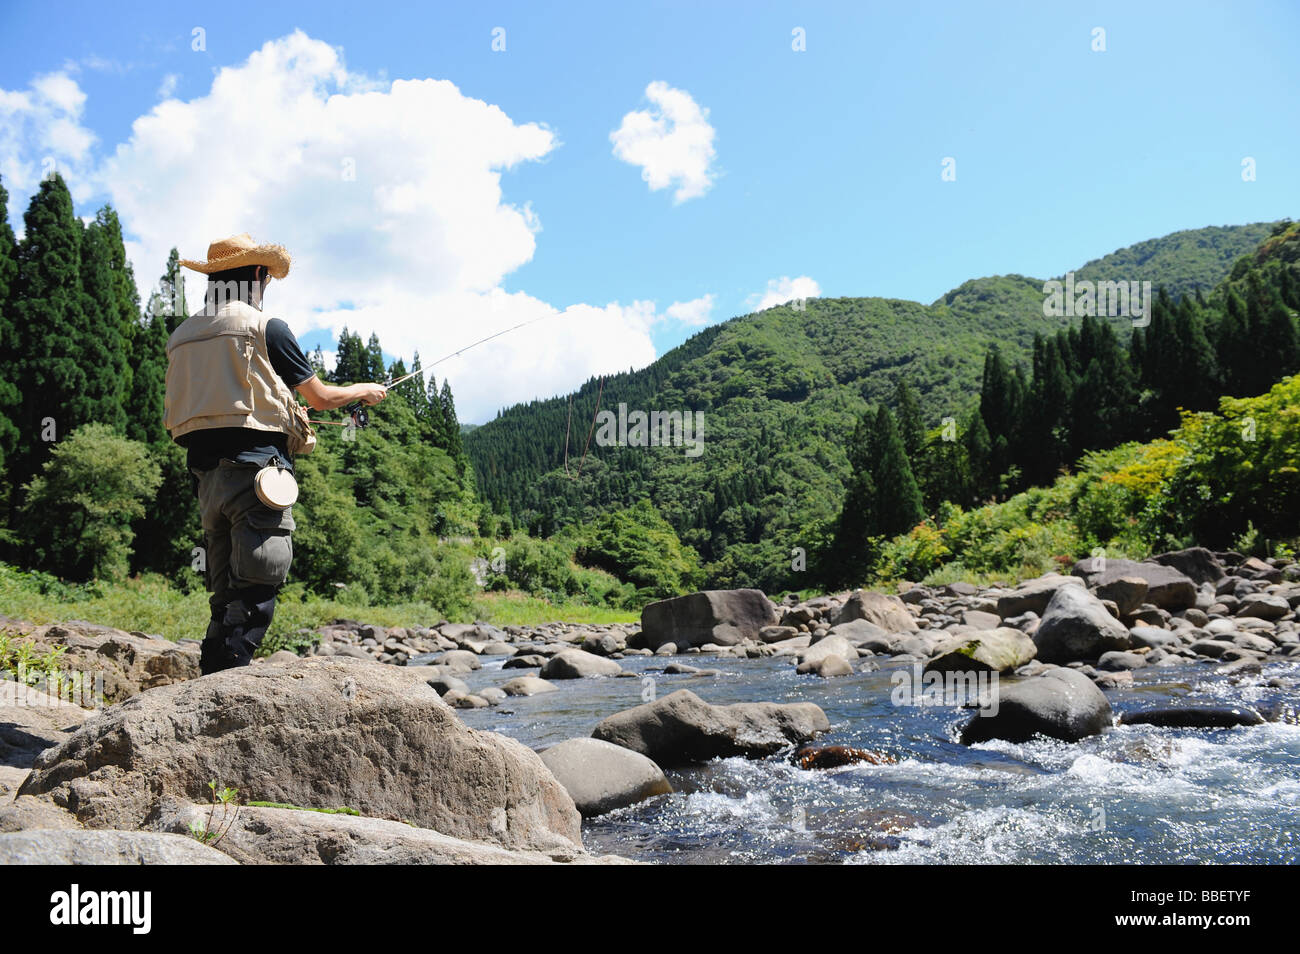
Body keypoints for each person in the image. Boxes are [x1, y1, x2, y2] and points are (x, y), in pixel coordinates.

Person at [164, 234, 387, 675]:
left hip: (206, 479)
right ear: (256, 275)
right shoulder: (264, 327)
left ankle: (209, 682)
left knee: (224, 590)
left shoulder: (181, 336)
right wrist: (365, 390)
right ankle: (227, 693)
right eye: (265, 277)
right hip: (257, 478)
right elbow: (321, 397)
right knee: (257, 585)